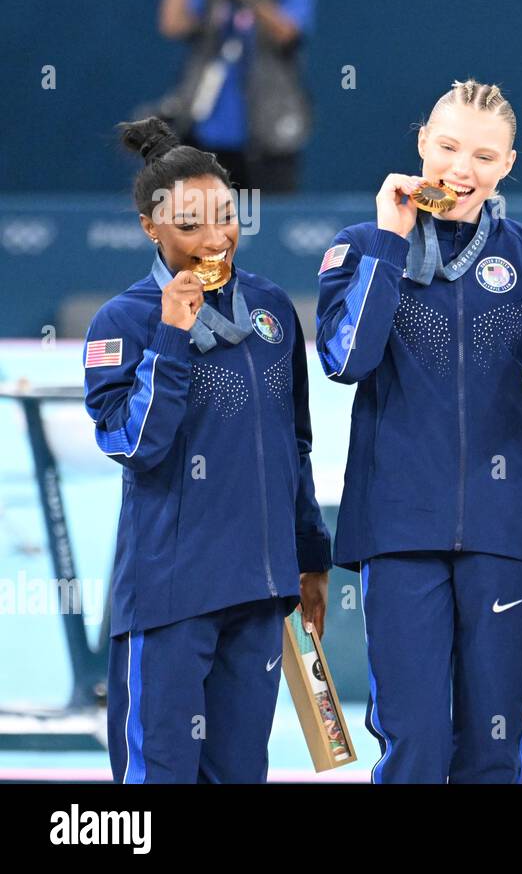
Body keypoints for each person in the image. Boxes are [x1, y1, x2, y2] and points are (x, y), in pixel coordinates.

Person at [316, 79, 522, 783]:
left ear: (508, 166)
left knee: (494, 750)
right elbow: (345, 360)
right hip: (400, 530)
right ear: (422, 144)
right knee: (416, 743)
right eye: (450, 147)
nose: (463, 169)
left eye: (484, 156)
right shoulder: (360, 248)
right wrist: (388, 244)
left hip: (507, 532)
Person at [85, 117, 330, 783]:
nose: (215, 236)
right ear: (151, 228)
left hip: (259, 589)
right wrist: (170, 335)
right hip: (170, 595)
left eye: (226, 216)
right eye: (191, 224)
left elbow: (293, 443)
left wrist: (310, 559)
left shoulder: (273, 311)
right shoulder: (124, 321)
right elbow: (134, 444)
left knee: (238, 774)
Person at [158, 0, 314, 191]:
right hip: (206, 135)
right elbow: (172, 25)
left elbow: (287, 34)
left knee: (269, 225)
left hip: (270, 132)